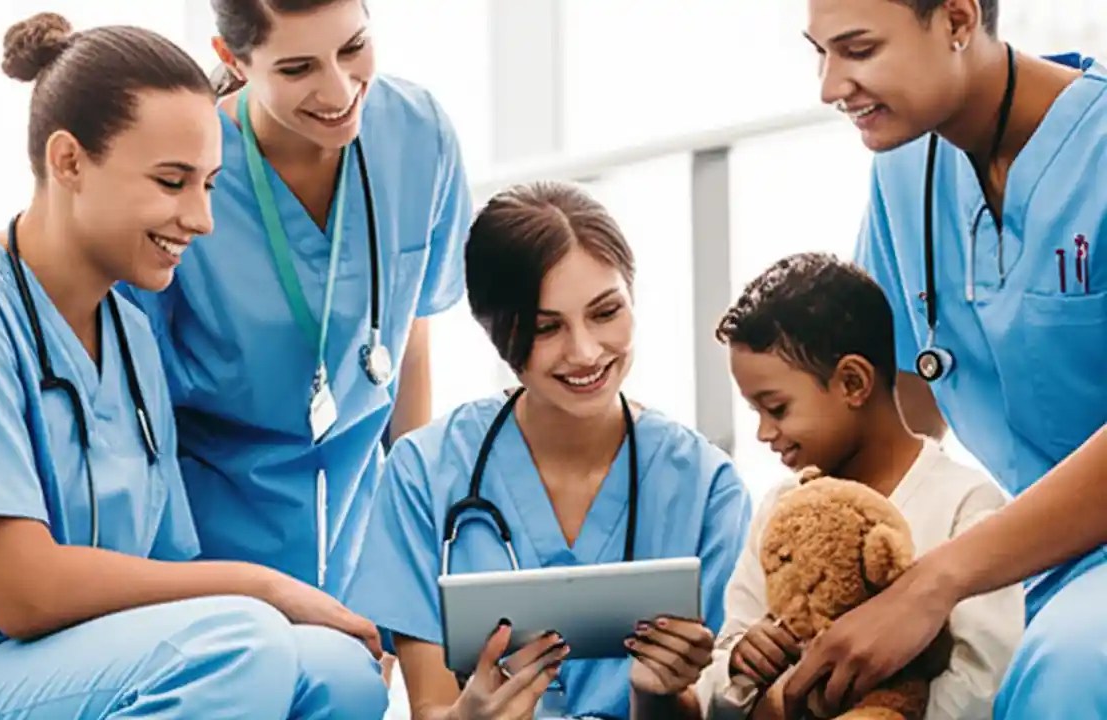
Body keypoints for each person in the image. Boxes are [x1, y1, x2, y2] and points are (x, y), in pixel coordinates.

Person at [0, 13, 385, 719]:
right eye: (172, 181)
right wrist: (262, 586)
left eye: (210, 185)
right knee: (237, 645)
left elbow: (167, 569)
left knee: (339, 670)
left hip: (58, 663)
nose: (202, 219)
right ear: (68, 162)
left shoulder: (129, 333)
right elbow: (21, 592)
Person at [785, 0, 1107, 716]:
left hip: (1058, 564)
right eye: (820, 53)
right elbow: (898, 410)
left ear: (958, 20)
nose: (830, 86)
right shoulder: (906, 166)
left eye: (858, 50)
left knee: (1065, 671)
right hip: (1019, 554)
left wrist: (938, 580)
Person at [343, 181, 755, 719]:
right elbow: (433, 707)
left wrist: (658, 694)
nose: (584, 352)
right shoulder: (425, 473)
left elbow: (727, 704)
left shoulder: (705, 487)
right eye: (546, 327)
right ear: (495, 331)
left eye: (606, 313)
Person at [118, 0, 472, 602]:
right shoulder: (184, 177)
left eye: (354, 48)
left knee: (356, 692)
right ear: (232, 58)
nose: (338, 90)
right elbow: (136, 408)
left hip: (361, 530)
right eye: (297, 68)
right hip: (212, 547)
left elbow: (408, 338)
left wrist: (412, 547)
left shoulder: (419, 135)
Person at [688, 252, 1023, 719]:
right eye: (755, 412)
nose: (764, 433)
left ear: (852, 382)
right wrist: (743, 666)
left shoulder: (965, 506)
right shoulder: (781, 510)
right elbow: (717, 689)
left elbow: (982, 684)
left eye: (777, 408)